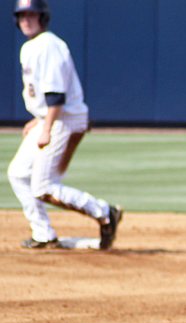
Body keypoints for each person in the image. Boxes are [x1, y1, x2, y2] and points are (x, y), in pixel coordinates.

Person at [8, 0, 122, 250]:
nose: (26, 19)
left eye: (31, 14)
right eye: (21, 15)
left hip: (64, 120)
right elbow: (43, 94)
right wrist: (39, 119)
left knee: (43, 186)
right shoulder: (31, 47)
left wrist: (46, 128)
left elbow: (56, 95)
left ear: (43, 17)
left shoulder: (48, 45)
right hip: (51, 117)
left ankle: (105, 212)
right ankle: (43, 234)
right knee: (18, 174)